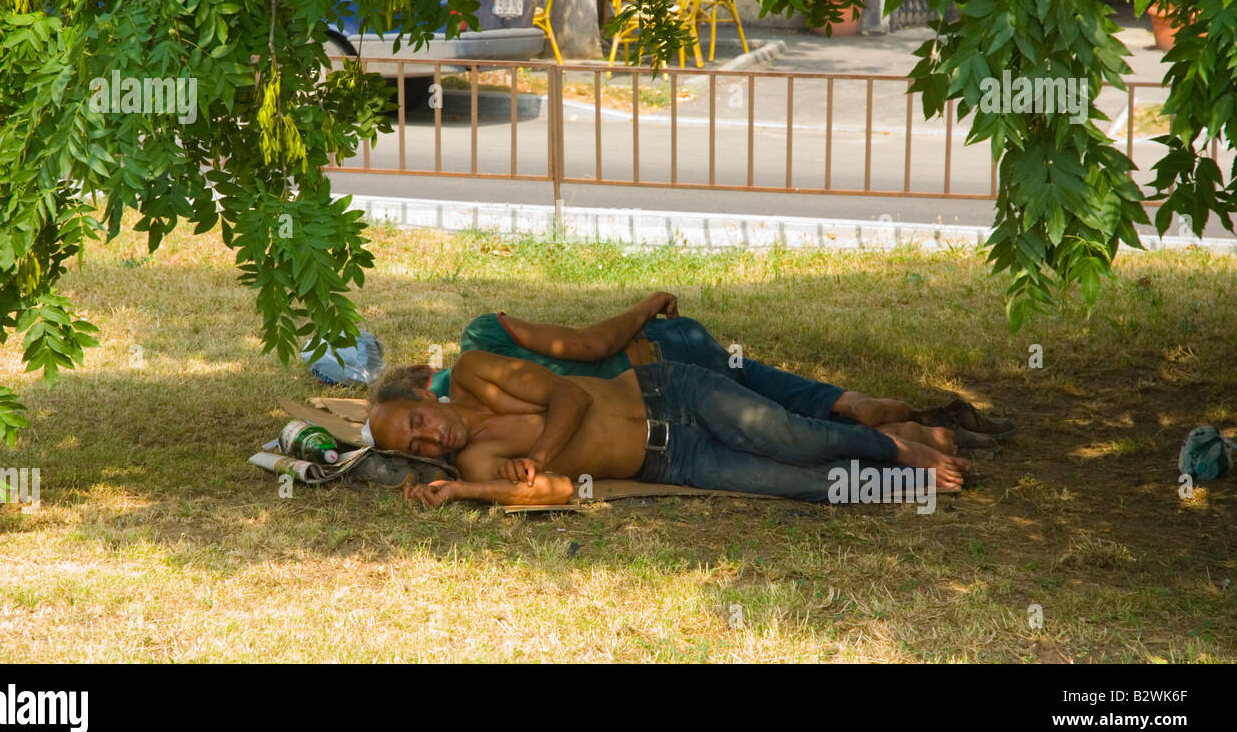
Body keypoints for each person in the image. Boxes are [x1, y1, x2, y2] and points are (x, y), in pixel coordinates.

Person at [366, 350, 973, 508]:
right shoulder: (474, 468)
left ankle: (897, 446)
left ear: (424, 390)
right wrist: (465, 491)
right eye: (414, 447)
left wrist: (541, 454)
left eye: (418, 421)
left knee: (797, 438)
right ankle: (902, 485)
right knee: (797, 484)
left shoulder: (474, 373)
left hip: (670, 392)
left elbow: (568, 397)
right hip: (669, 461)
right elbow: (557, 492)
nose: (429, 441)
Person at [422, 293, 1010, 443]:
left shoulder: (477, 416)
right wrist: (647, 304)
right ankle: (936, 418)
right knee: (798, 393)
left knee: (782, 424)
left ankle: (916, 436)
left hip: (656, 397)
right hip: (669, 353)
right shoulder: (482, 336)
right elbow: (586, 343)